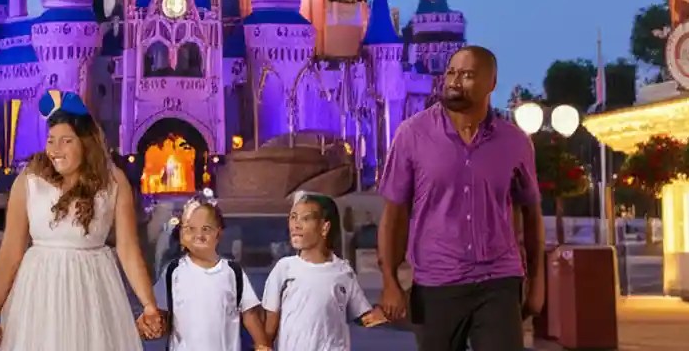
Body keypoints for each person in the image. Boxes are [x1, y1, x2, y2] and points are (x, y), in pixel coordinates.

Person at [376, 46, 545, 351]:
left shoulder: (515, 142)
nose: (454, 81)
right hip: (436, 285)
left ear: (491, 83)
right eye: (451, 72)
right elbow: (394, 214)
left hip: (499, 281)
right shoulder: (412, 135)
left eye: (467, 75)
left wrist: (536, 281)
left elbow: (531, 214)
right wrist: (390, 280)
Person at [0, 90, 163, 350]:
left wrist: (148, 305)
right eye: (51, 140)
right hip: (40, 294)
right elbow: (11, 250)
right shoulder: (29, 181)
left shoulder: (113, 181)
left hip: (92, 291)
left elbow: (128, 248)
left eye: (66, 141)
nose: (55, 150)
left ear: (85, 143)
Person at [261, 192, 386, 351]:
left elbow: (364, 317)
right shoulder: (284, 269)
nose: (296, 225)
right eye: (293, 217)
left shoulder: (343, 272)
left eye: (305, 219)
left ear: (324, 227)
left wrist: (391, 311)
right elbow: (269, 330)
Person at [155, 195, 270, 351]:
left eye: (206, 229)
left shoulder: (233, 272)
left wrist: (262, 345)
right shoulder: (172, 272)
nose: (199, 235)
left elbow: (250, 315)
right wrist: (151, 325)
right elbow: (160, 317)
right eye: (191, 228)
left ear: (218, 233)